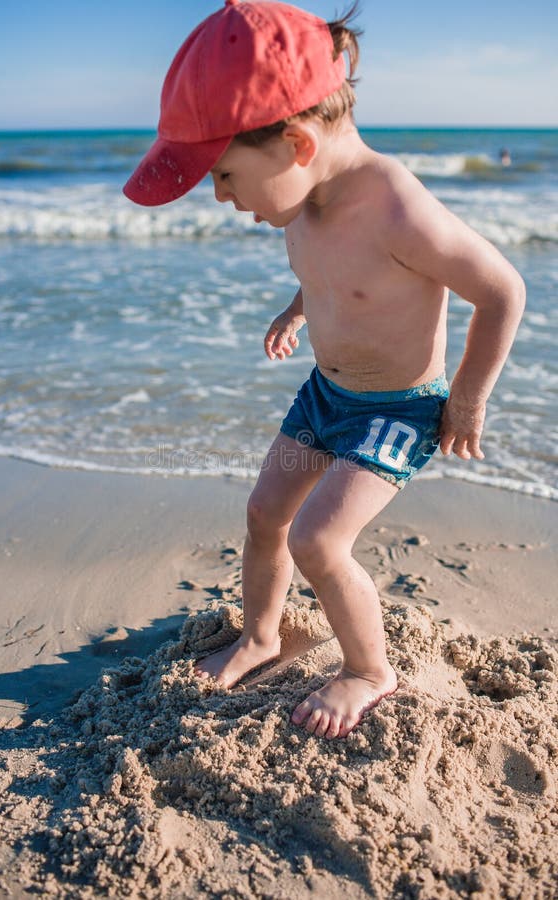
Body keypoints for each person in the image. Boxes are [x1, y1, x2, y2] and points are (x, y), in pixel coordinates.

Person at [123, 0, 525, 740]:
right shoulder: (306, 200)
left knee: (317, 541)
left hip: (398, 413)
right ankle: (261, 636)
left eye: (225, 174)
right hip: (325, 396)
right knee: (263, 515)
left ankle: (370, 669)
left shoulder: (398, 208)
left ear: (297, 143)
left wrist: (468, 398)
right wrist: (299, 309)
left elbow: (502, 290)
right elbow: (334, 270)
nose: (220, 194)